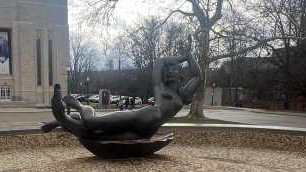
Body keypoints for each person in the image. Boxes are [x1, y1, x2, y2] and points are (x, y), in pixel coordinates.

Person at [43, 49, 203, 141]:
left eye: (173, 69)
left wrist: (190, 56)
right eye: (168, 70)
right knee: (91, 122)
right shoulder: (160, 87)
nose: (169, 72)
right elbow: (160, 61)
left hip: (147, 131)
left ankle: (60, 122)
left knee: (93, 135)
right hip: (139, 117)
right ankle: (77, 106)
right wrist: (182, 57)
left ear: (181, 75)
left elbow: (198, 76)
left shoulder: (184, 94)